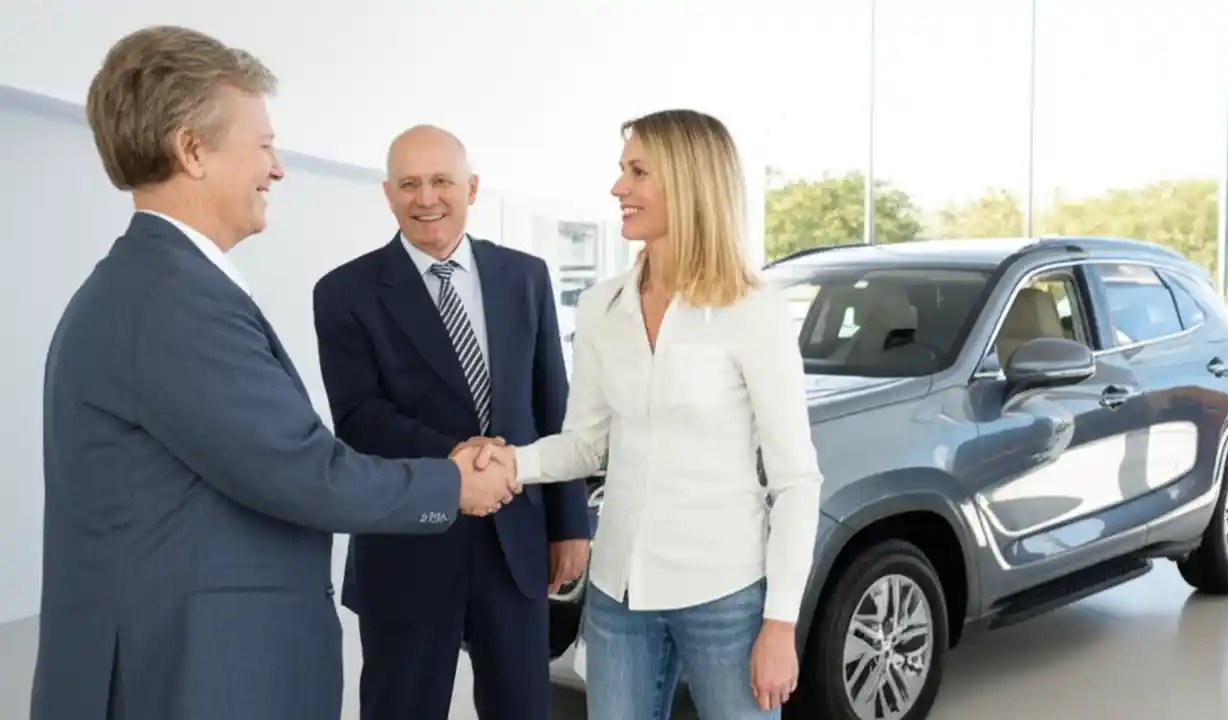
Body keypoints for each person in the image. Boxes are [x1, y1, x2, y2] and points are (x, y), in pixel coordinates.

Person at [31, 26, 517, 720]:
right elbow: (300, 469)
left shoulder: (158, 284)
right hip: (192, 677)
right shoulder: (172, 300)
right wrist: (455, 482)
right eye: (262, 144)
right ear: (192, 150)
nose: (277, 168)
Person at [485, 109, 824, 719]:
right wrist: (508, 462)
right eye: (622, 171)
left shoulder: (753, 310)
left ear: (690, 183)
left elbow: (797, 481)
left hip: (726, 597)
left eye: (638, 172)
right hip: (619, 595)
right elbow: (585, 445)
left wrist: (780, 625)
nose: (619, 188)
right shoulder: (601, 306)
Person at [312, 124, 591, 720]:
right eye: (409, 184)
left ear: (472, 187)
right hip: (408, 545)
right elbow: (359, 418)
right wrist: (464, 459)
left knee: (522, 708)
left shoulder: (525, 276)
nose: (426, 198)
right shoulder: (344, 292)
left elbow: (552, 404)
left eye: (442, 181)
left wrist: (570, 524)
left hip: (515, 541)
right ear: (388, 194)